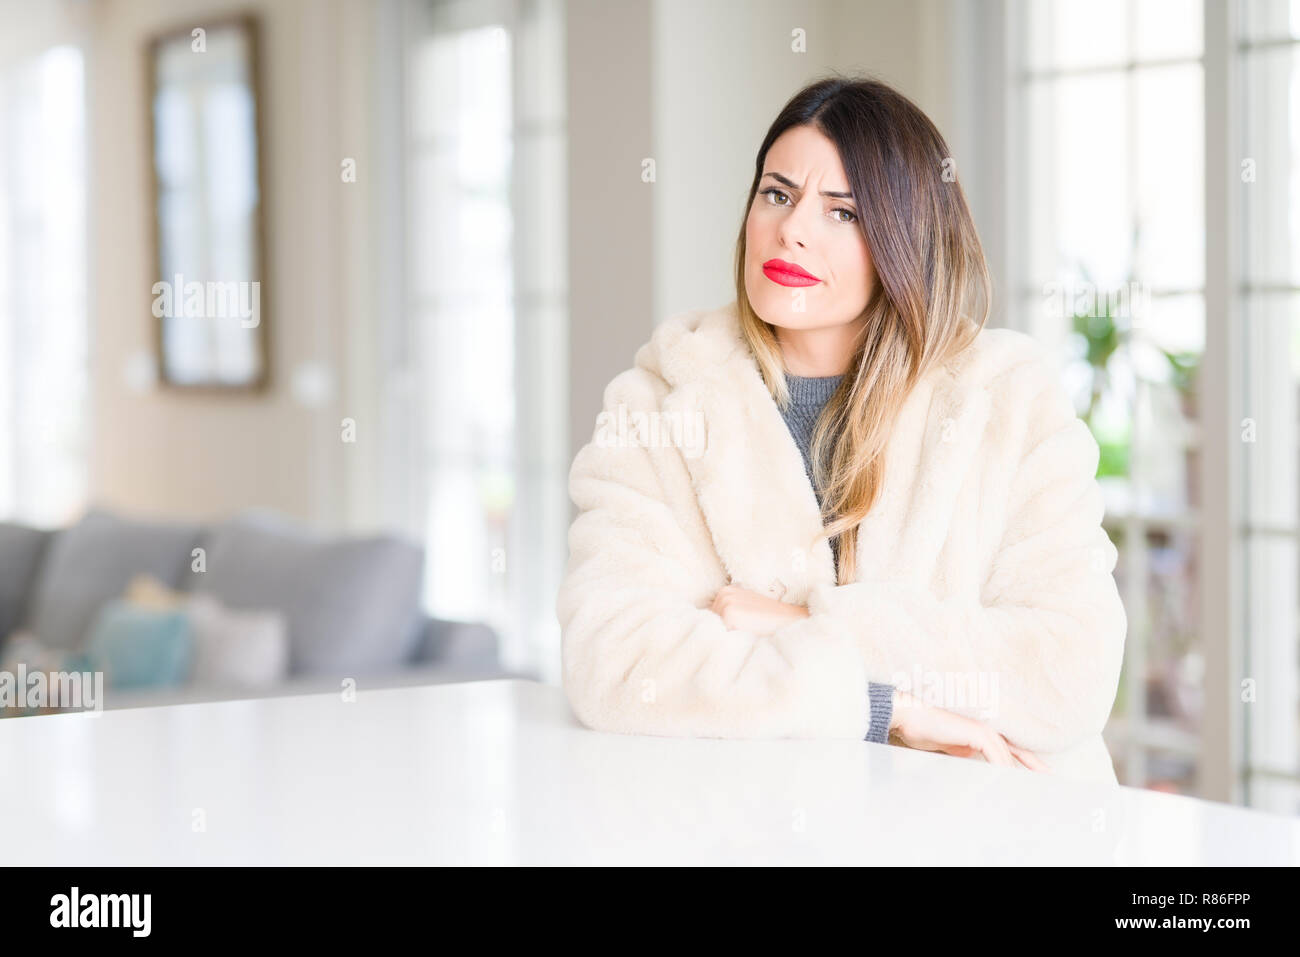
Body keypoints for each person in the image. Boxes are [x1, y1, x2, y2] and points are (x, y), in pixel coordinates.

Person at [555, 75, 1126, 786]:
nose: (792, 227)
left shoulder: (1008, 400)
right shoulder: (658, 404)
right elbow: (612, 658)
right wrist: (880, 709)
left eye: (843, 211)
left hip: (993, 831)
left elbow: (1068, 670)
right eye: (777, 193)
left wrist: (796, 619)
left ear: (904, 237)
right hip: (751, 830)